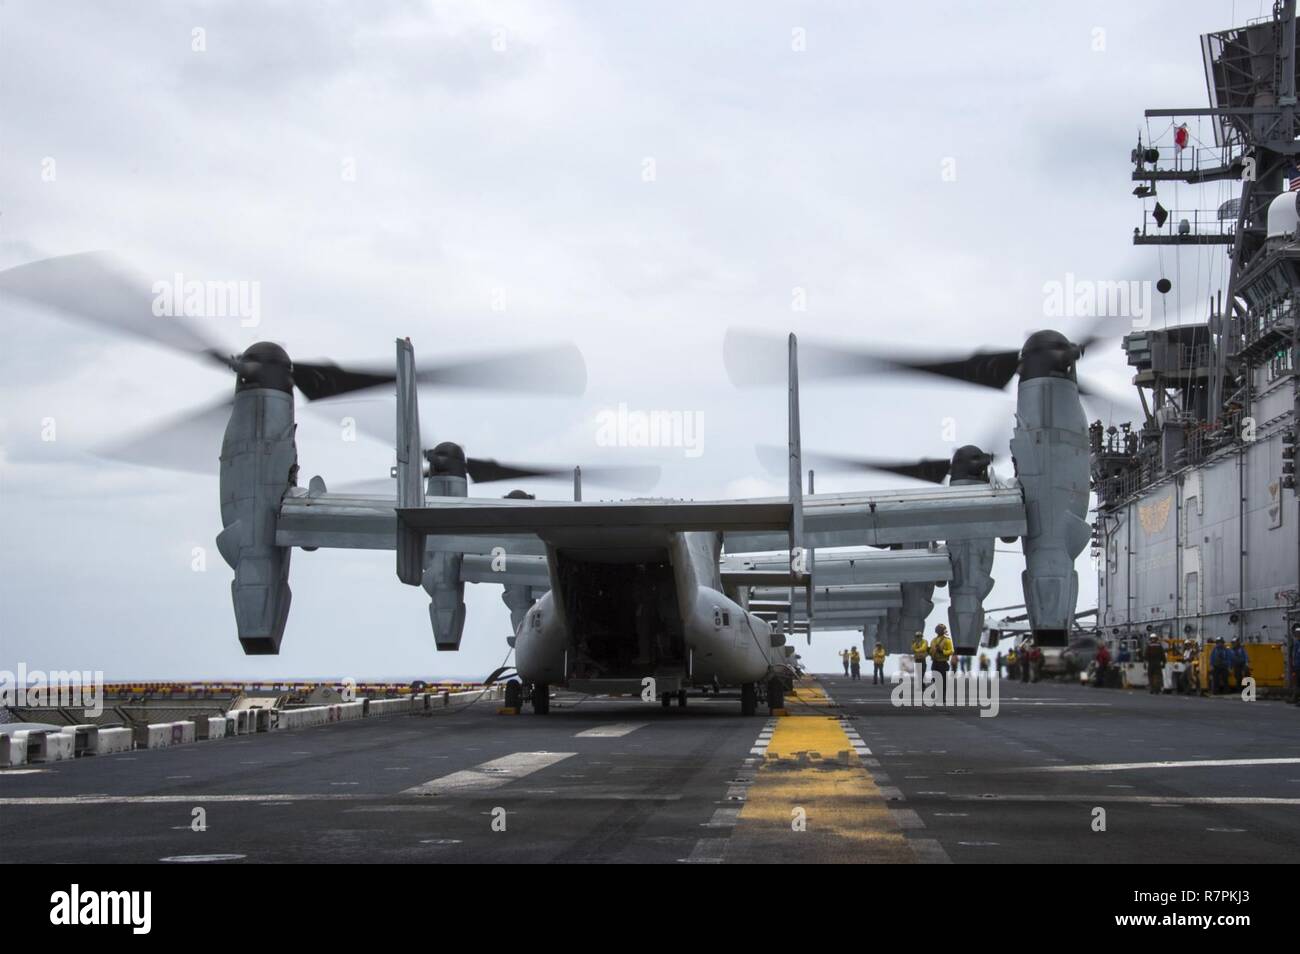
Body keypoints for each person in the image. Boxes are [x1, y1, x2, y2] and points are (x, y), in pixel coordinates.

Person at [930, 624, 954, 703]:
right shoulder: (933, 640)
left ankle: (942, 697)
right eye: (938, 629)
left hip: (943, 663)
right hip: (935, 662)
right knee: (935, 679)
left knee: (943, 681)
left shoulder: (947, 640)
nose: (938, 630)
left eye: (940, 629)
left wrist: (942, 651)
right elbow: (931, 650)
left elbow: (951, 651)